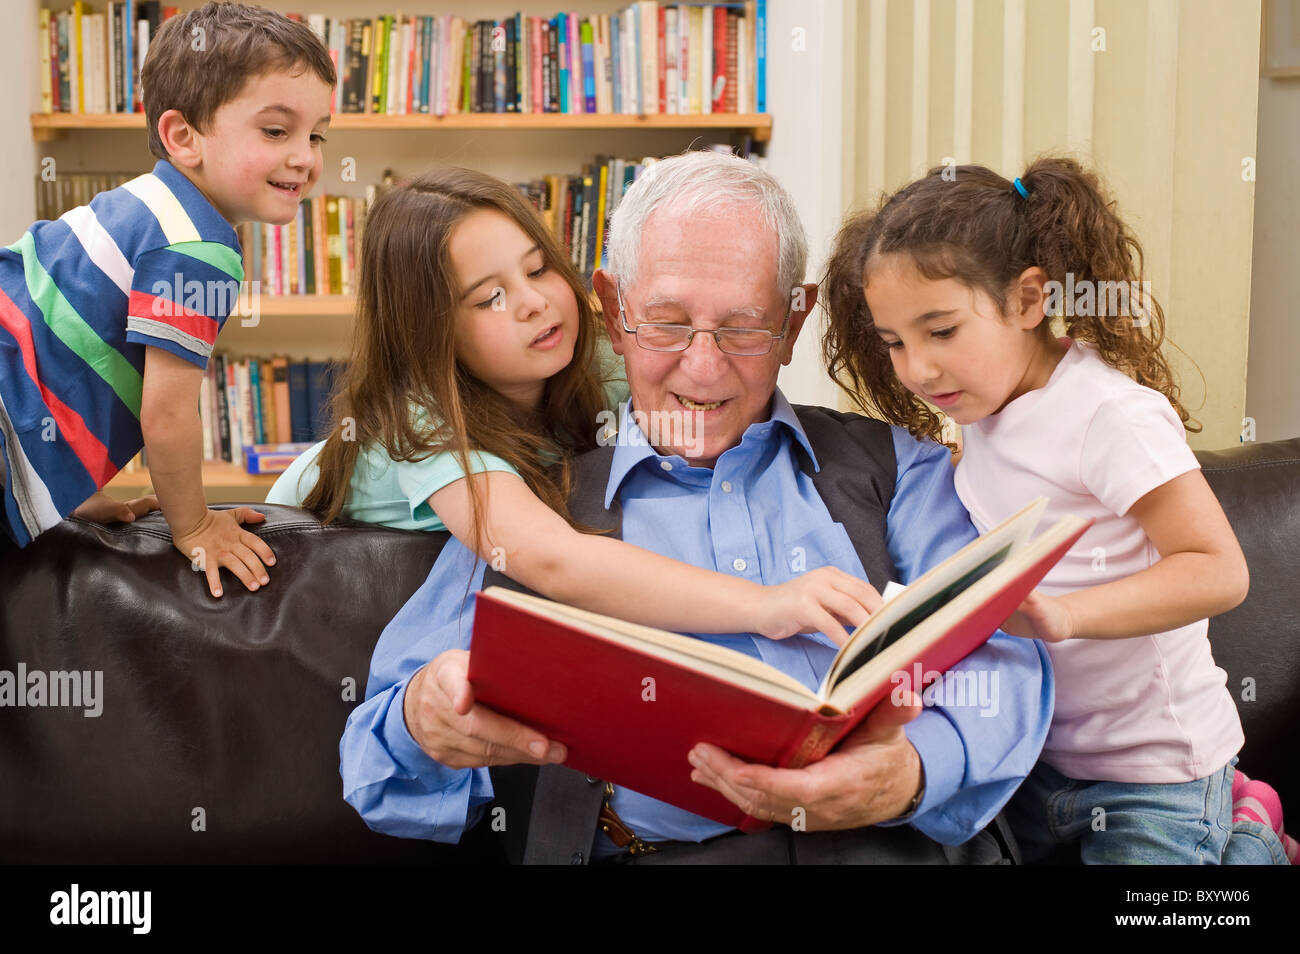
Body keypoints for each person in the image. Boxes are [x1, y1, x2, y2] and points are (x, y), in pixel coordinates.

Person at [338, 151, 1052, 864]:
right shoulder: (533, 513)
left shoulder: (897, 468)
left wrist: (912, 772)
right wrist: (418, 718)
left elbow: (1002, 651)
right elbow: (371, 768)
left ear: (794, 322)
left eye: (743, 329)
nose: (703, 368)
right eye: (667, 324)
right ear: (615, 315)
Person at [821, 156, 1293, 864]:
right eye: (895, 343)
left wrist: (1067, 616)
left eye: (941, 331)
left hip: (1153, 771)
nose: (916, 369)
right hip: (1039, 761)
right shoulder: (983, 408)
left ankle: (1251, 834)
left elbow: (1219, 571)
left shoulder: (1109, 416)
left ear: (1028, 299)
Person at [267, 167, 882, 644]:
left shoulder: (594, 362)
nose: (534, 302)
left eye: (537, 269)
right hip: (298, 561)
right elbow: (553, 560)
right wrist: (766, 603)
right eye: (489, 299)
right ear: (430, 334)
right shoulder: (422, 425)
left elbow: (723, 394)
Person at [0, 3, 334, 599]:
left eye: (316, 135)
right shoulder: (199, 246)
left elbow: (59, 337)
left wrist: (63, 485)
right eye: (276, 131)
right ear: (183, 137)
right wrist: (198, 525)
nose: (306, 156)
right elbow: (168, 412)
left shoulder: (148, 201)